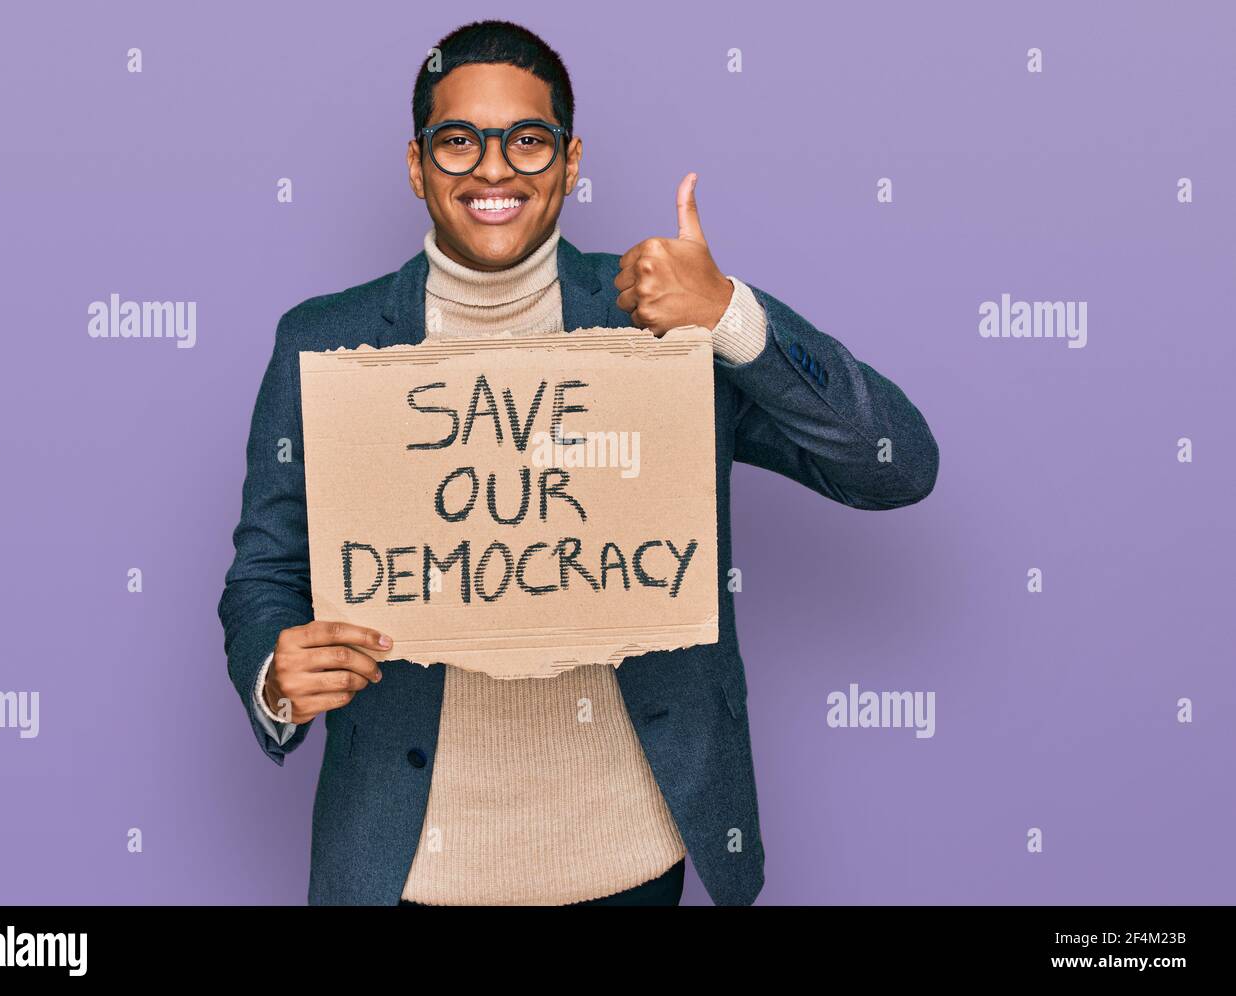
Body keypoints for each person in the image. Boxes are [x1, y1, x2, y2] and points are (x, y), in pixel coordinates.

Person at [217, 19, 939, 907]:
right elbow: (266, 571)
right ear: (417, 166)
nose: (493, 170)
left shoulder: (659, 322)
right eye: (458, 142)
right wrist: (274, 676)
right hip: (407, 872)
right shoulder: (322, 342)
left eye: (527, 141)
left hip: (630, 863)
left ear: (568, 161)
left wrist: (728, 317)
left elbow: (894, 464)